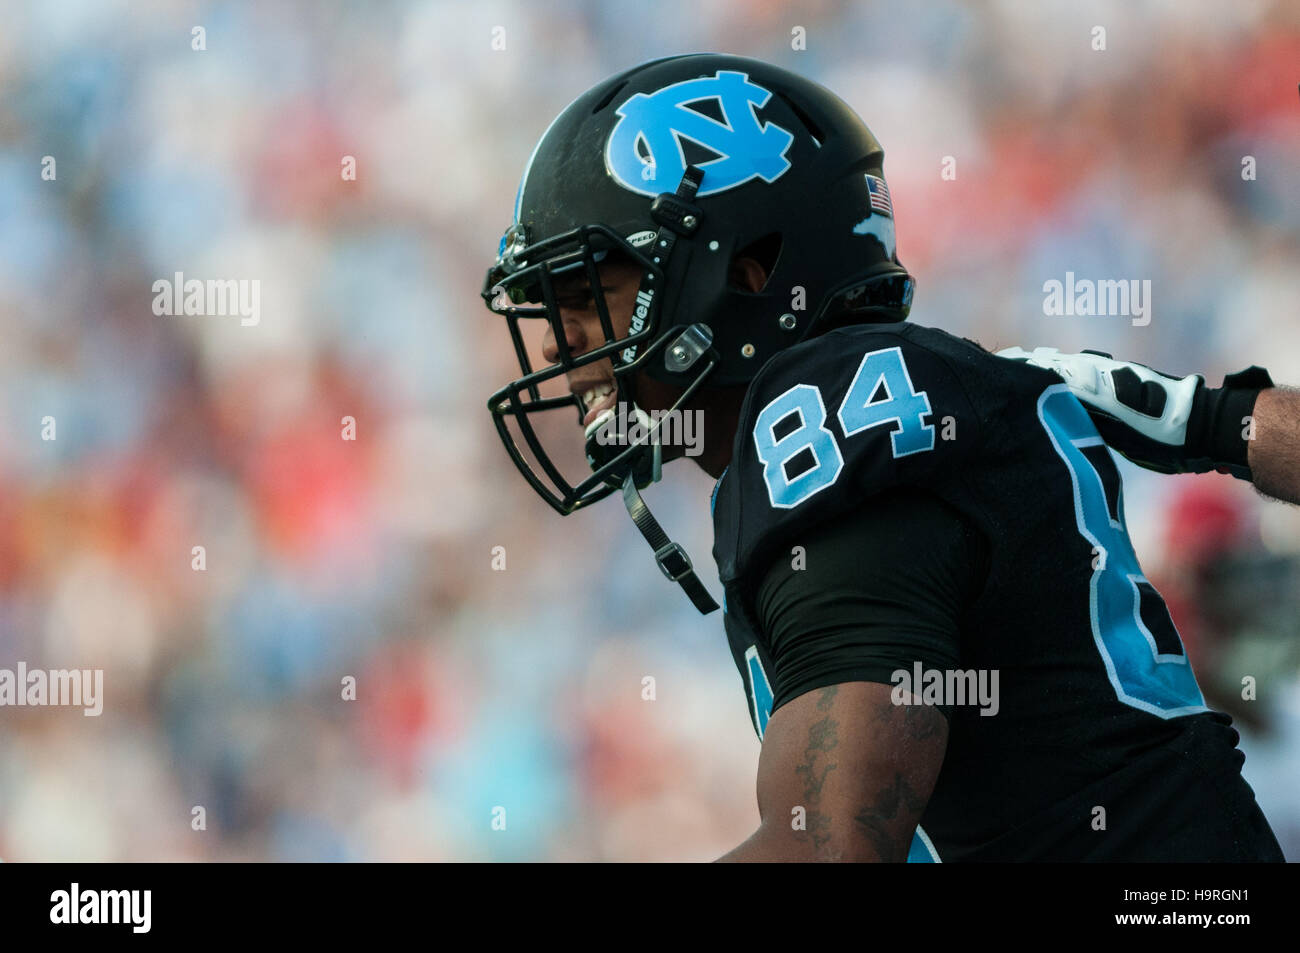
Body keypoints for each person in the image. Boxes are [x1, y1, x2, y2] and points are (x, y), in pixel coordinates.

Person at [480, 53, 1296, 861]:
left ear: (746, 268)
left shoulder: (831, 416)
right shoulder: (997, 380)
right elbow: (1244, 422)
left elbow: (834, 846)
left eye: (587, 295)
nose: (557, 339)